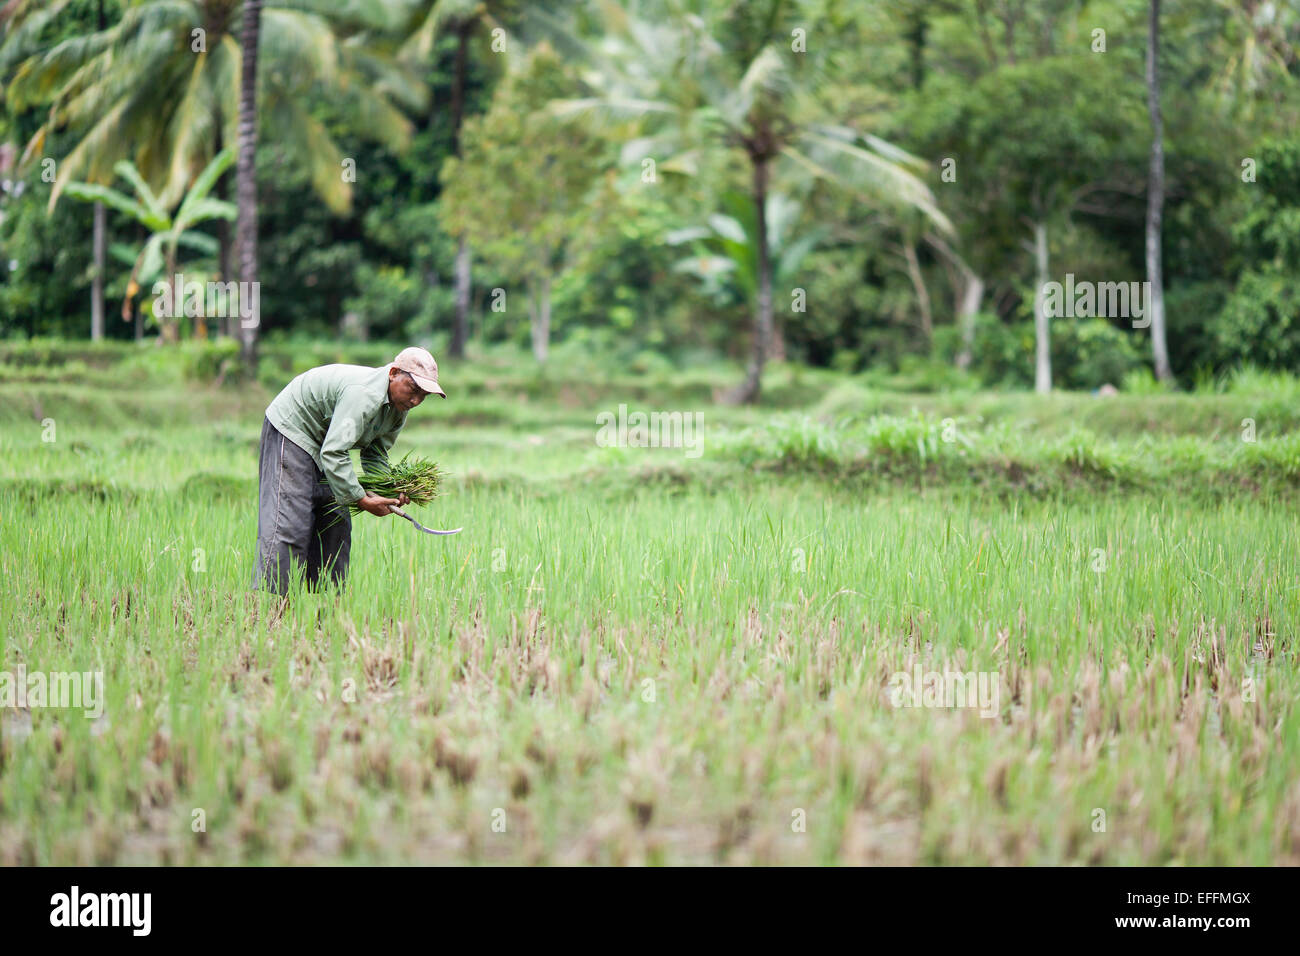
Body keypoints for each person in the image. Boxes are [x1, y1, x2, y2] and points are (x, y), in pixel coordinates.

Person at [253, 346, 445, 594]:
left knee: (335, 524)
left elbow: (375, 451)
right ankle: (275, 607)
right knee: (291, 522)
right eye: (414, 390)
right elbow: (334, 452)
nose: (416, 401)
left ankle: (324, 606)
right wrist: (361, 499)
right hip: (294, 430)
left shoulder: (398, 409)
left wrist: (387, 488)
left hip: (327, 442)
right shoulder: (363, 395)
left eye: (424, 396)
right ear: (394, 373)